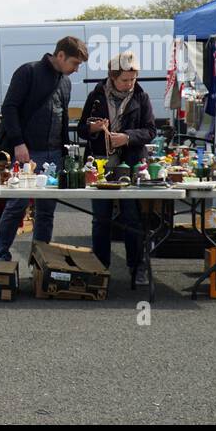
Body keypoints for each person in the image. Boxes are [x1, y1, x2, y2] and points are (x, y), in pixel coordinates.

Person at [0, 36, 87, 262]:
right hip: (27, 153)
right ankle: (1, 255)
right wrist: (18, 142)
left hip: (54, 154)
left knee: (46, 211)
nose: (76, 69)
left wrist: (65, 154)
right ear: (61, 55)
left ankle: (40, 260)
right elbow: (10, 107)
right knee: (17, 205)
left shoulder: (65, 82)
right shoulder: (28, 72)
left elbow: (63, 120)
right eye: (75, 63)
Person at [78, 51, 154, 285]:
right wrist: (93, 129)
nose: (129, 84)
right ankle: (100, 267)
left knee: (132, 217)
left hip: (130, 166)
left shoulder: (141, 97)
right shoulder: (97, 96)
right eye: (124, 80)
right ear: (112, 77)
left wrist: (127, 137)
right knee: (101, 218)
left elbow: (151, 131)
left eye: (133, 79)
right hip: (101, 164)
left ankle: (137, 267)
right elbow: (81, 129)